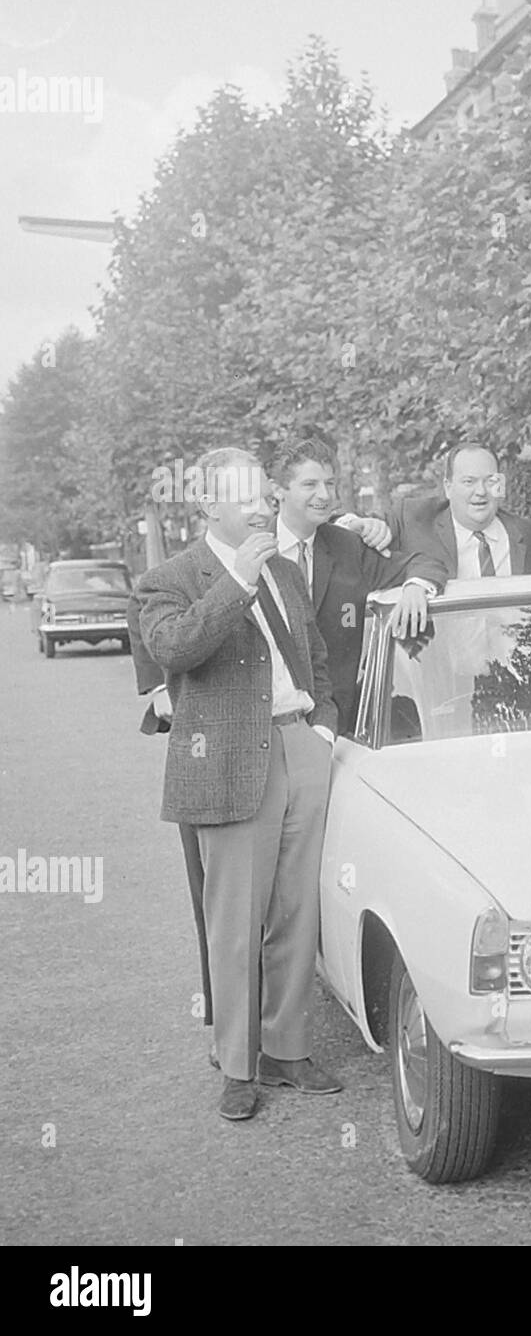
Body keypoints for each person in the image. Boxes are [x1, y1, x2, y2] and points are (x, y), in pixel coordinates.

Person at [136, 447, 341, 1122]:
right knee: (233, 922)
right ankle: (237, 1063)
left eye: (262, 492)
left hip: (299, 746)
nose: (261, 504)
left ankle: (285, 1050)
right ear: (209, 507)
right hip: (224, 760)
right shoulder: (170, 579)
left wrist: (325, 731)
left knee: (297, 911)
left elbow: (315, 660)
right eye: (246, 495)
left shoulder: (286, 570)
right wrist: (237, 585)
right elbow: (175, 650)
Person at [270, 435, 440, 735]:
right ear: (278, 491)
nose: (324, 494)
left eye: (330, 483)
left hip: (336, 726)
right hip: (265, 726)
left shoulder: (347, 547)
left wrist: (415, 588)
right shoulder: (252, 549)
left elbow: (424, 563)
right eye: (310, 485)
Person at [126, 597, 212, 1049]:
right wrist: (158, 688)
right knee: (216, 895)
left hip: (315, 737)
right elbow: (142, 599)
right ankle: (230, 1023)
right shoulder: (198, 566)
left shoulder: (332, 545)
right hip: (210, 744)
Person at [388, 442, 531, 579]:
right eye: (469, 482)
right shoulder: (412, 523)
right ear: (448, 488)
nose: (480, 491)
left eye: (490, 481)